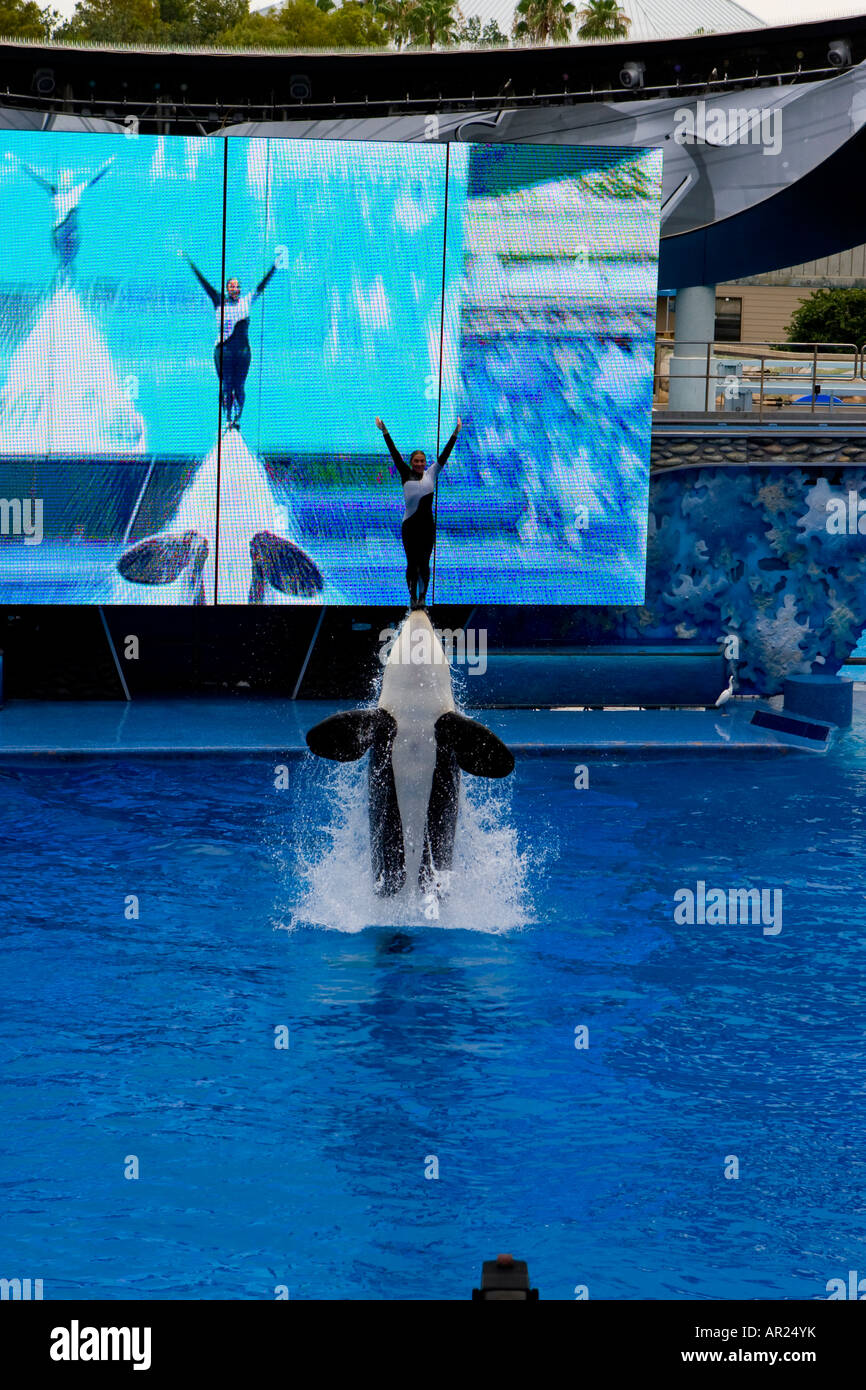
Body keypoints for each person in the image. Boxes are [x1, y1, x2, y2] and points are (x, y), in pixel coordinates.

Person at [376, 414, 462, 609]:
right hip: (409, 526)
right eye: (416, 461)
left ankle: (422, 596)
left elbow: (445, 455)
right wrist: (385, 431)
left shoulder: (432, 472)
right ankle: (412, 597)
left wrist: (455, 433)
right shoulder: (405, 472)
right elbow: (394, 453)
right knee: (411, 563)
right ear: (411, 462)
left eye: (422, 461)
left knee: (424, 563)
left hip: (427, 526)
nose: (419, 464)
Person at [184, 254, 277, 429]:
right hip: (223, 351)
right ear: (227, 289)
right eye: (232, 286)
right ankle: (227, 418)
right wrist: (190, 261)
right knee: (226, 384)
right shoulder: (219, 301)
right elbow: (203, 282)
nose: (235, 289)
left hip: (242, 352)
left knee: (239, 386)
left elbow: (262, 284)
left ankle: (236, 418)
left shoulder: (247, 301)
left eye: (238, 286)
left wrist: (275, 266)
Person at [20, 157, 116, 279]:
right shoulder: (54, 191)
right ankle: (59, 286)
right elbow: (37, 177)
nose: (66, 181)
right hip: (59, 231)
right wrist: (21, 163)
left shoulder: (77, 190)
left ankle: (68, 288)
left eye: (68, 178)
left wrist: (108, 165)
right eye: (64, 178)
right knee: (63, 263)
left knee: (69, 263)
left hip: (72, 232)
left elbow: (94, 178)